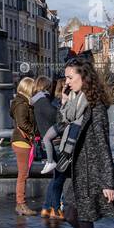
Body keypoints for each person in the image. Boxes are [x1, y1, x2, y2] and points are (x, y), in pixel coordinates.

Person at [60, 55, 114, 228]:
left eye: (70, 77)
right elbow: (64, 125)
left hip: (90, 173)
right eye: (66, 77)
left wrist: (108, 182)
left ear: (83, 77)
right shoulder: (75, 102)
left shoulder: (96, 107)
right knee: (69, 215)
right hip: (74, 171)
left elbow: (102, 145)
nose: (66, 82)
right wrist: (65, 101)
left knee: (85, 221)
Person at [41, 77, 72, 219]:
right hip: (59, 144)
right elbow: (62, 123)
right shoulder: (60, 103)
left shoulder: (53, 102)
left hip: (55, 143)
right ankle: (55, 208)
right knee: (59, 179)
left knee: (56, 178)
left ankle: (47, 207)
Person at [11, 76, 39, 216]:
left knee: (23, 174)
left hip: (22, 140)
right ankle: (21, 204)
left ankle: (20, 203)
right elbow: (22, 123)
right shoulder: (22, 104)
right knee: (23, 174)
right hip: (22, 140)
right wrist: (35, 133)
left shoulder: (22, 102)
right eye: (33, 89)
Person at [31, 76, 60, 178]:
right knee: (59, 175)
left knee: (58, 177)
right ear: (47, 86)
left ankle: (50, 161)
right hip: (52, 136)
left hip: (43, 133)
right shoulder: (43, 100)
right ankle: (50, 161)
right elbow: (53, 114)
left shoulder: (36, 99)